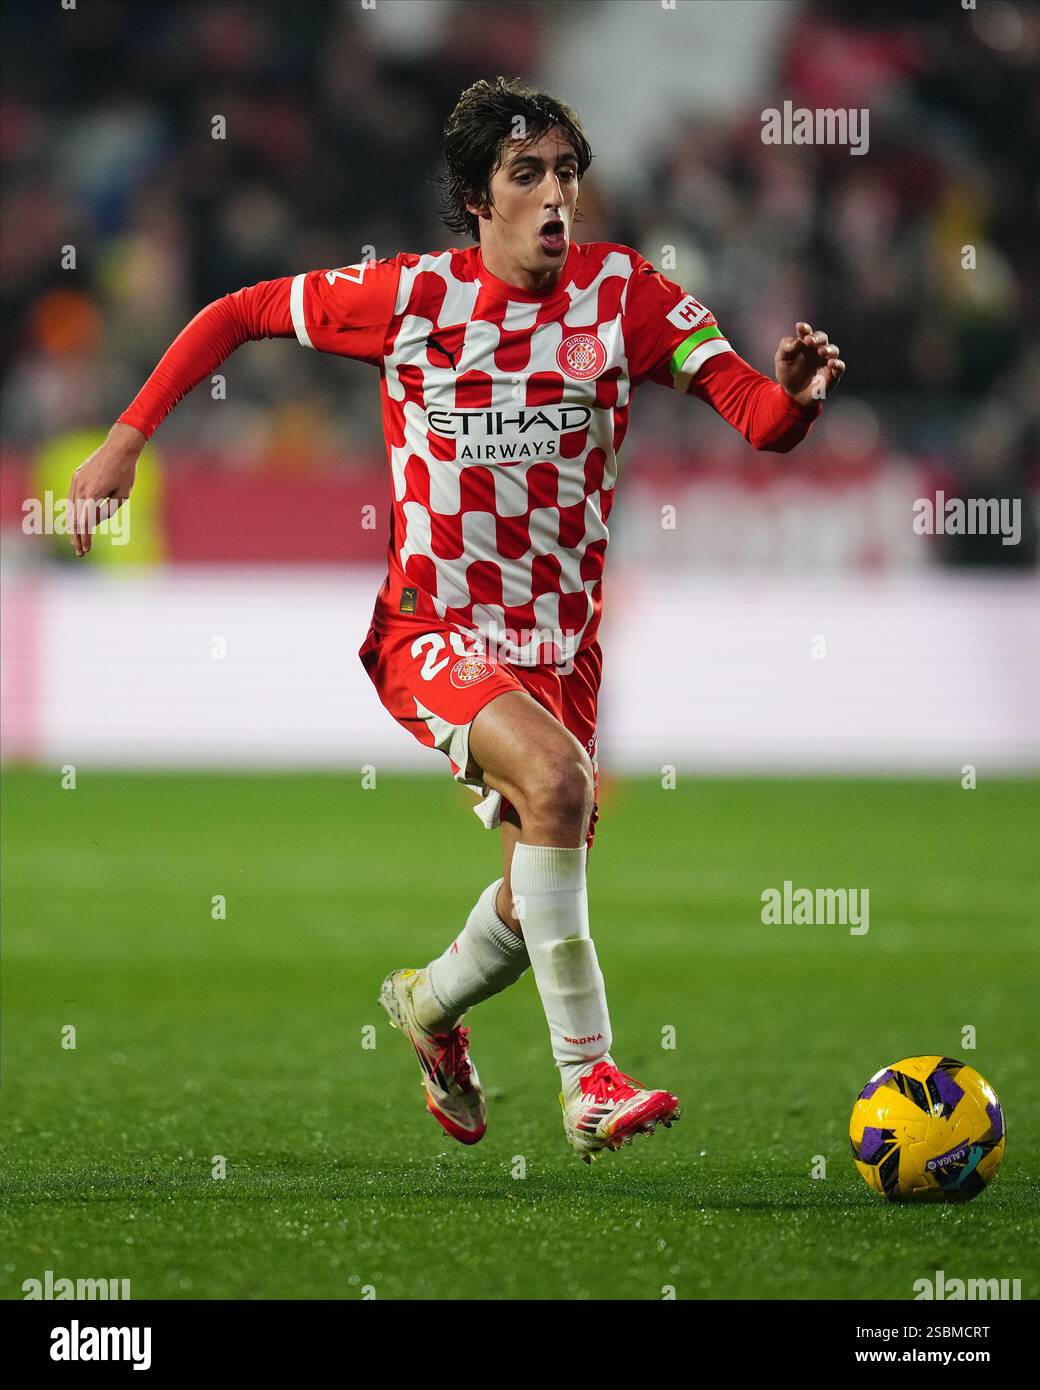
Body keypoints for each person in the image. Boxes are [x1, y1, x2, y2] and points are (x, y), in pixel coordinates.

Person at [68, 76, 844, 1163]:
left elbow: (754, 422)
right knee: (563, 785)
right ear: (476, 199)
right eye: (524, 175)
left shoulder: (628, 300)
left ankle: (428, 1008)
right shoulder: (410, 299)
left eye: (565, 172)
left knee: (540, 898)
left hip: (559, 651)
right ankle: (588, 1081)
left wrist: (796, 396)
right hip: (431, 630)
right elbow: (236, 313)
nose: (552, 194)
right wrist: (127, 436)